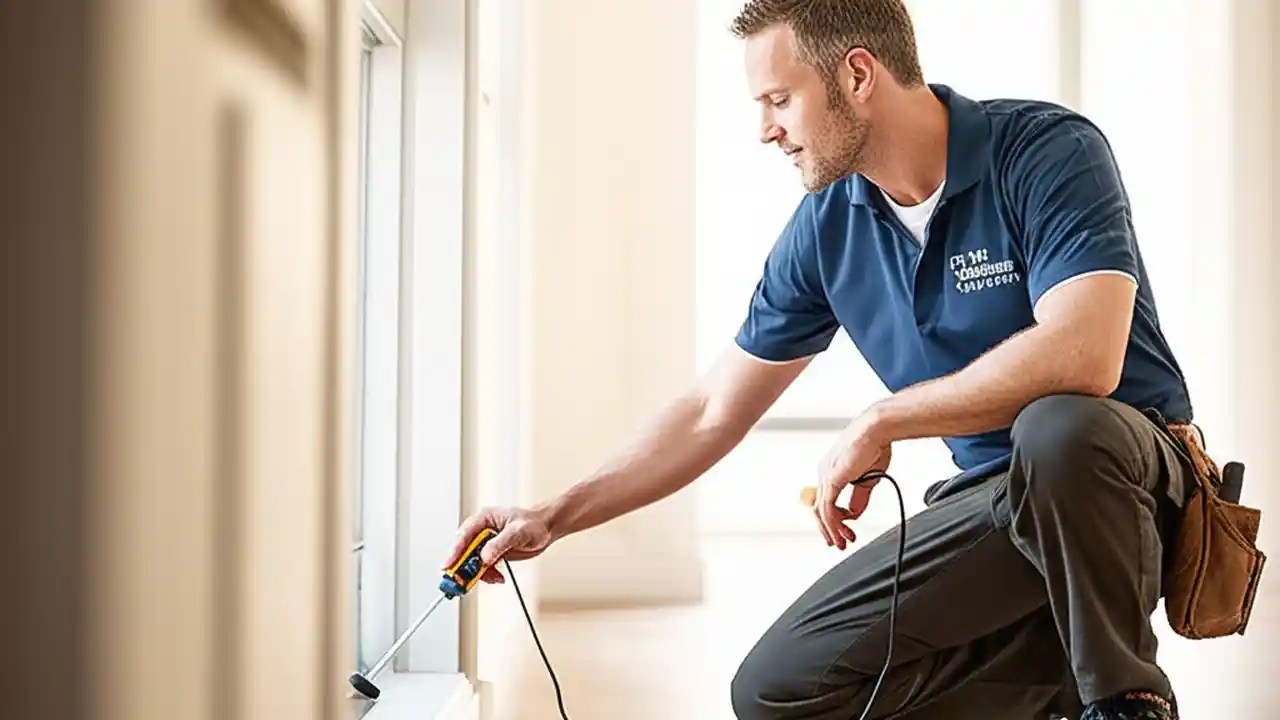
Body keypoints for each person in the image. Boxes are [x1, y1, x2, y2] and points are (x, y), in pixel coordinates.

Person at [445, 1, 1203, 718]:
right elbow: (713, 411)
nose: (766, 130)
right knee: (776, 690)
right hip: (993, 504)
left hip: (1124, 486)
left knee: (1061, 428)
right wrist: (553, 515)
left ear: (857, 75)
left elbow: (1085, 354)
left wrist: (886, 418)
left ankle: (1124, 701)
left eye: (778, 99)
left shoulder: (1045, 151)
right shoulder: (828, 226)